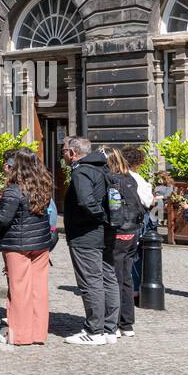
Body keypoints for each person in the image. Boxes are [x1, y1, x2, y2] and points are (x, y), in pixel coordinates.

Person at [62, 135, 119, 345]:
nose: (64, 155)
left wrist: (99, 217)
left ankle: (95, 331)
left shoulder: (81, 171)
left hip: (85, 234)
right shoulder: (102, 167)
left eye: (64, 151)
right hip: (105, 231)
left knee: (91, 281)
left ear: (74, 153)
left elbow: (86, 202)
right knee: (107, 277)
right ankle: (110, 328)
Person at [0, 150, 54, 348]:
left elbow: (3, 218)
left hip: (17, 244)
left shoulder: (13, 189)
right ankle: (38, 333)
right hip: (40, 243)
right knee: (39, 289)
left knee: (19, 289)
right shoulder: (43, 185)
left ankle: (19, 335)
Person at [105, 148, 145, 336]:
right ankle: (127, 323)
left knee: (115, 278)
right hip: (132, 231)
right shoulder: (130, 178)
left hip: (119, 232)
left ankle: (115, 322)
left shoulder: (112, 180)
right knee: (126, 278)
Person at [122, 146, 155, 302]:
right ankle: (135, 289)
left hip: (121, 220)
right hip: (137, 219)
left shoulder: (116, 176)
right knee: (135, 254)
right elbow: (148, 200)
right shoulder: (136, 178)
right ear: (138, 163)